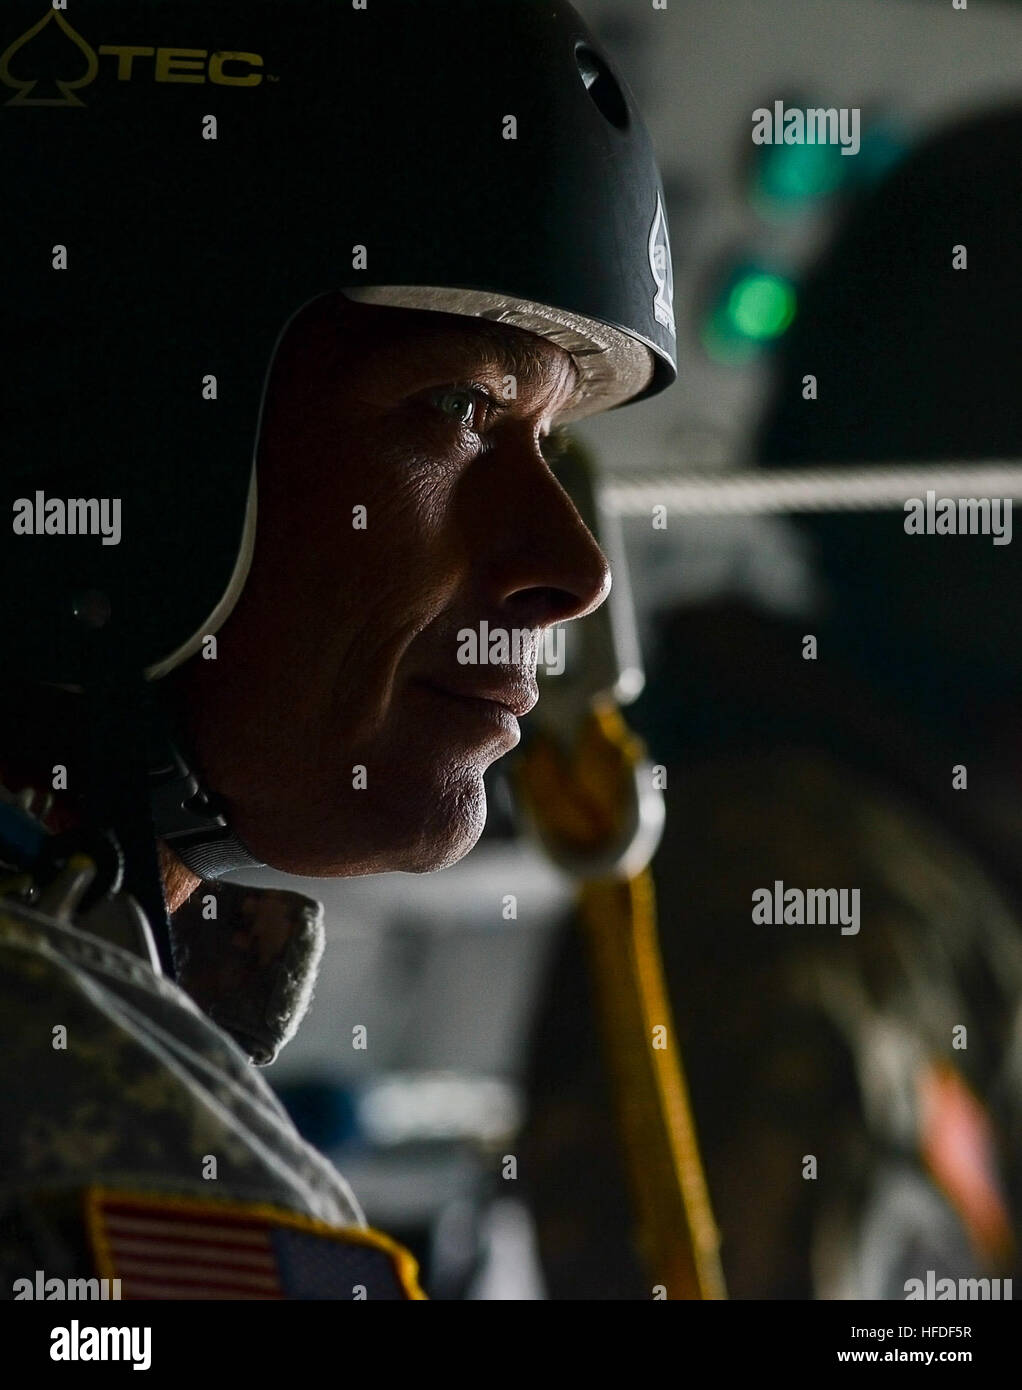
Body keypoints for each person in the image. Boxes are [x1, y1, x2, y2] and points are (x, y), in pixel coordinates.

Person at [0, 0, 677, 1300]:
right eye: (457, 408)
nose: (576, 572)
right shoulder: (101, 1158)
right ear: (99, 426)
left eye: (543, 441)